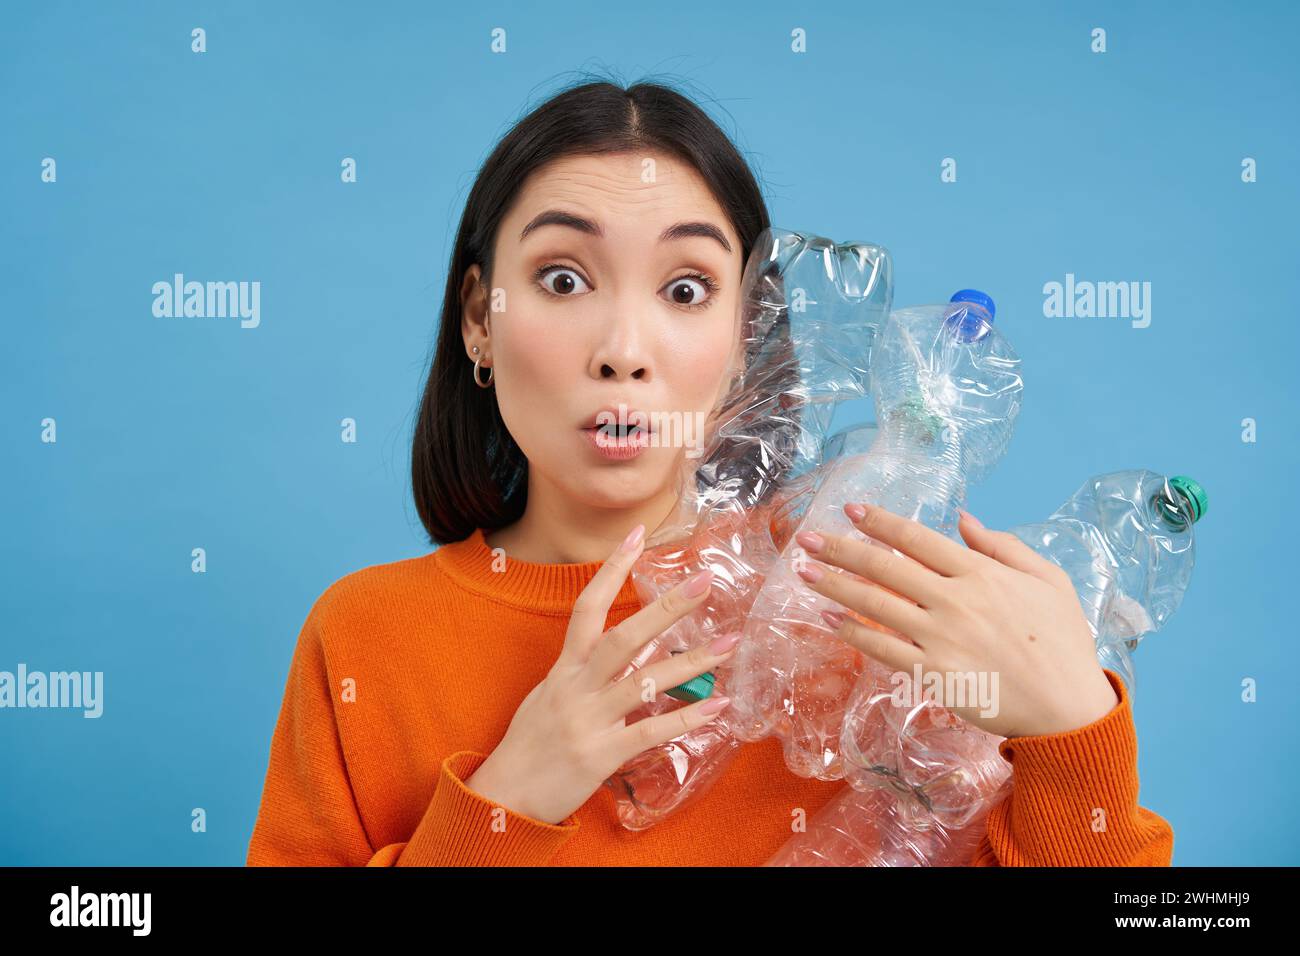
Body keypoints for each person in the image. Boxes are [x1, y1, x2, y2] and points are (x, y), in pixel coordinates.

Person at [245, 77, 1173, 867]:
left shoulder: (855, 611)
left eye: (686, 289)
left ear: (744, 343)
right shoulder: (364, 640)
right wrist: (509, 797)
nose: (623, 349)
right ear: (479, 320)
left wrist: (1073, 733)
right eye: (564, 279)